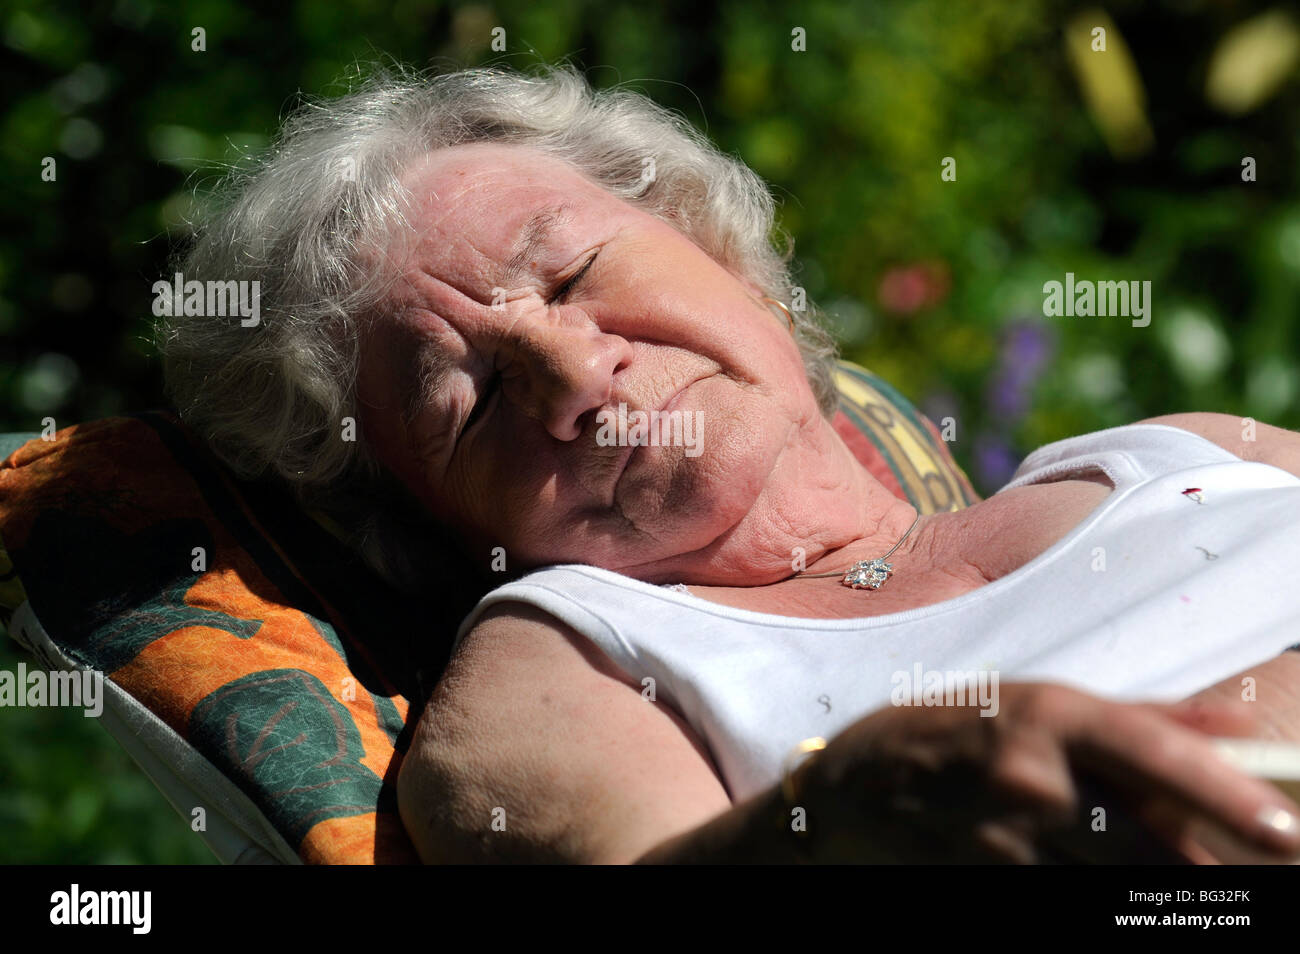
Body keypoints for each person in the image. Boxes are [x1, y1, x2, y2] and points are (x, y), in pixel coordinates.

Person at [158, 64, 1300, 864]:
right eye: (478, 401)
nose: (577, 379)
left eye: (567, 277)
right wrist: (838, 814)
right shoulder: (567, 665)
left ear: (720, 250)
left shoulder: (1187, 451)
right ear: (437, 523)